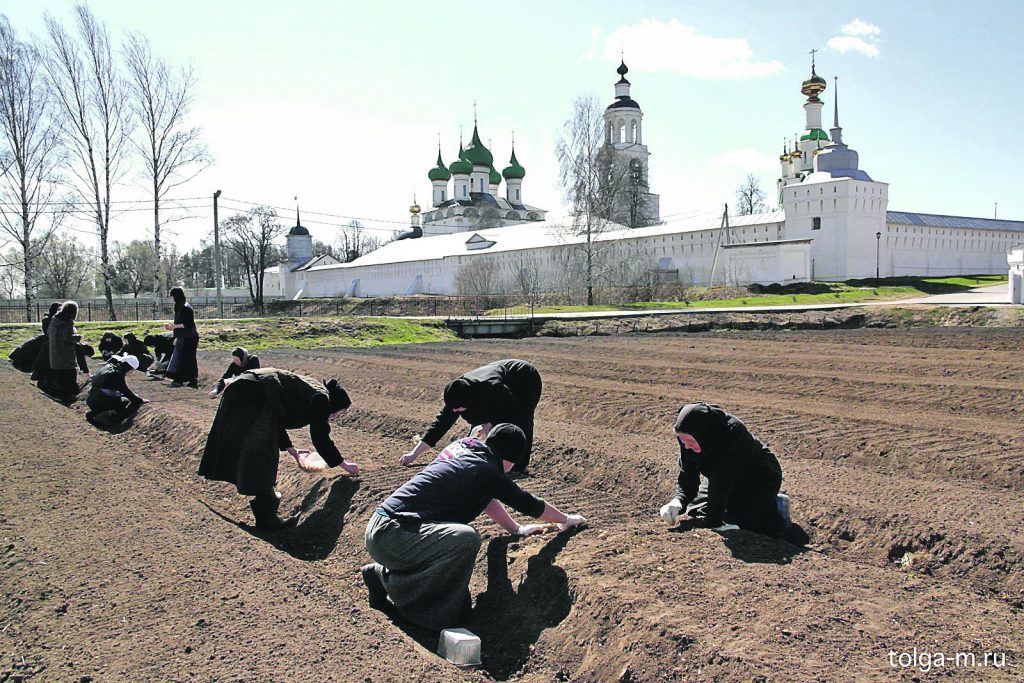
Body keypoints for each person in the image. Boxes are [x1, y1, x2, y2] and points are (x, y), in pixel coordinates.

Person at [364, 424, 586, 631]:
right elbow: (528, 503)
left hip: (386, 528)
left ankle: (382, 576)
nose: (509, 471)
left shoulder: (466, 447)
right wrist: (565, 519)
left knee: (453, 552)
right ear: (508, 458)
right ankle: (429, 618)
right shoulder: (484, 469)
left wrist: (515, 530)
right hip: (393, 534)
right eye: (512, 464)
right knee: (465, 538)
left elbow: (487, 499)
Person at [198, 368, 359, 531]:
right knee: (264, 453)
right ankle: (267, 519)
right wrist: (344, 465)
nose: (334, 418)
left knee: (248, 445)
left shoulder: (313, 391)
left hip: (244, 388)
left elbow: (276, 419)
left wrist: (292, 450)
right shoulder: (322, 398)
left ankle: (265, 512)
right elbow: (320, 437)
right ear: (335, 405)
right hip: (254, 393)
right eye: (339, 413)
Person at [659, 402, 808, 545]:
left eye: (690, 441)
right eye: (682, 440)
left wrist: (714, 523)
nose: (686, 446)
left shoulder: (732, 431)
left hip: (758, 477)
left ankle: (776, 506)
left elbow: (723, 479)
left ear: (703, 434)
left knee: (743, 524)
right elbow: (688, 474)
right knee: (696, 510)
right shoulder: (688, 436)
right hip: (720, 476)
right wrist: (677, 502)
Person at [401, 359, 543, 473]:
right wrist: (413, 454)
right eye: (453, 409)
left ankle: (519, 466)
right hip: (490, 391)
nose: (455, 411)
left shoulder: (492, 388)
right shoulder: (457, 392)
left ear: (469, 401)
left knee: (520, 421)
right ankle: (480, 458)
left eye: (458, 409)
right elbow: (440, 425)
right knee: (481, 424)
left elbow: (510, 411)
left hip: (524, 378)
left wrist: (490, 424)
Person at [85, 355, 147, 426]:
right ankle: (112, 421)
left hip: (92, 398)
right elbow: (126, 392)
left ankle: (95, 413)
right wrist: (140, 400)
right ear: (128, 368)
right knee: (132, 403)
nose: (131, 372)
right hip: (100, 401)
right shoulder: (116, 375)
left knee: (123, 398)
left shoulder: (109, 367)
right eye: (132, 370)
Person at [43, 301, 81, 401]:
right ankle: (68, 396)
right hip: (65, 354)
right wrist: (76, 339)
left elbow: (48, 333)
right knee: (70, 373)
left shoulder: (54, 320)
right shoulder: (67, 323)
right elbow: (67, 339)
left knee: (61, 375)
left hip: (54, 352)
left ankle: (62, 394)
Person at [164, 286, 200, 388]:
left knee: (188, 359)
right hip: (184, 337)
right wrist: (176, 334)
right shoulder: (181, 306)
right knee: (183, 358)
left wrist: (173, 326)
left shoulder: (185, 308)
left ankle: (188, 380)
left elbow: (187, 324)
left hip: (189, 337)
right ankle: (183, 379)